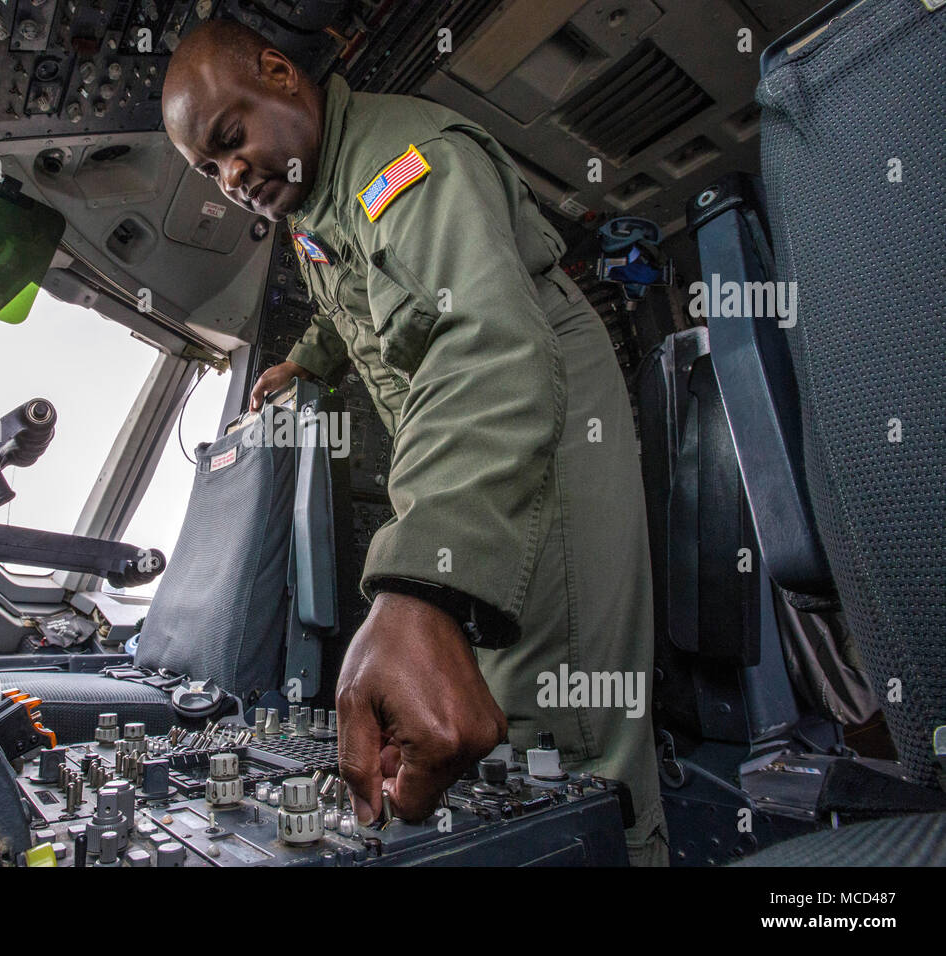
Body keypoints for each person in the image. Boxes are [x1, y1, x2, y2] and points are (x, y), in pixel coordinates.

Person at [162, 19, 668, 865]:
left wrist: (417, 588)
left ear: (282, 75)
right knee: (501, 720)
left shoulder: (407, 162)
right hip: (461, 425)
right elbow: (348, 299)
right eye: (211, 169)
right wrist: (302, 359)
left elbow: (478, 339)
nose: (232, 176)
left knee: (566, 729)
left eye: (230, 138)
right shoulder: (316, 201)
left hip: (533, 401)